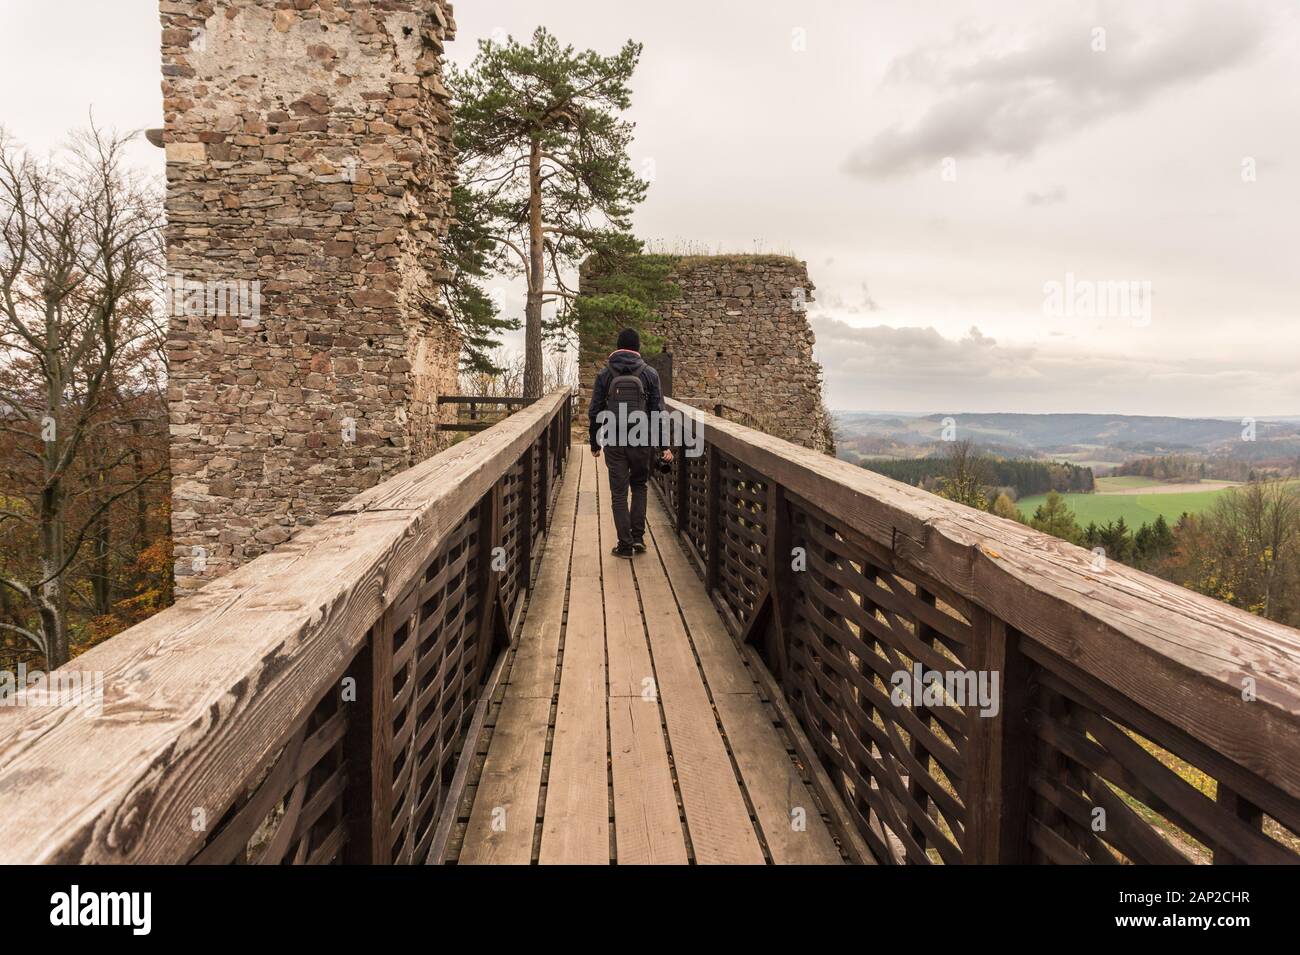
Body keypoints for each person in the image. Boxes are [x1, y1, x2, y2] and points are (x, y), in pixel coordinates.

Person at [588, 328, 673, 558]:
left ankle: (624, 546)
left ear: (618, 347)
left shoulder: (605, 374)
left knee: (618, 494)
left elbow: (595, 410)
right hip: (641, 440)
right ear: (637, 348)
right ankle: (638, 539)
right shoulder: (650, 374)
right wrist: (664, 445)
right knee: (639, 487)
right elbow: (658, 411)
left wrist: (594, 443)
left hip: (614, 441)